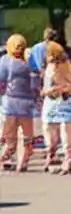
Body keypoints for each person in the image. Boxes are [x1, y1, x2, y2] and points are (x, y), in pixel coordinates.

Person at [40, 41, 71, 175]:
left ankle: (59, 159)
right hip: (63, 101)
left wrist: (52, 90)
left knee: (55, 135)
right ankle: (60, 159)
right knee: (62, 135)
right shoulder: (67, 65)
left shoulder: (56, 67)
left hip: (57, 102)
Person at [0, 34, 38, 172]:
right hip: (27, 103)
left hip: (9, 102)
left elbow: (1, 81)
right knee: (26, 135)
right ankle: (23, 161)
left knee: (10, 135)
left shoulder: (5, 61)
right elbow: (36, 82)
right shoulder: (29, 61)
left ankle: (6, 157)